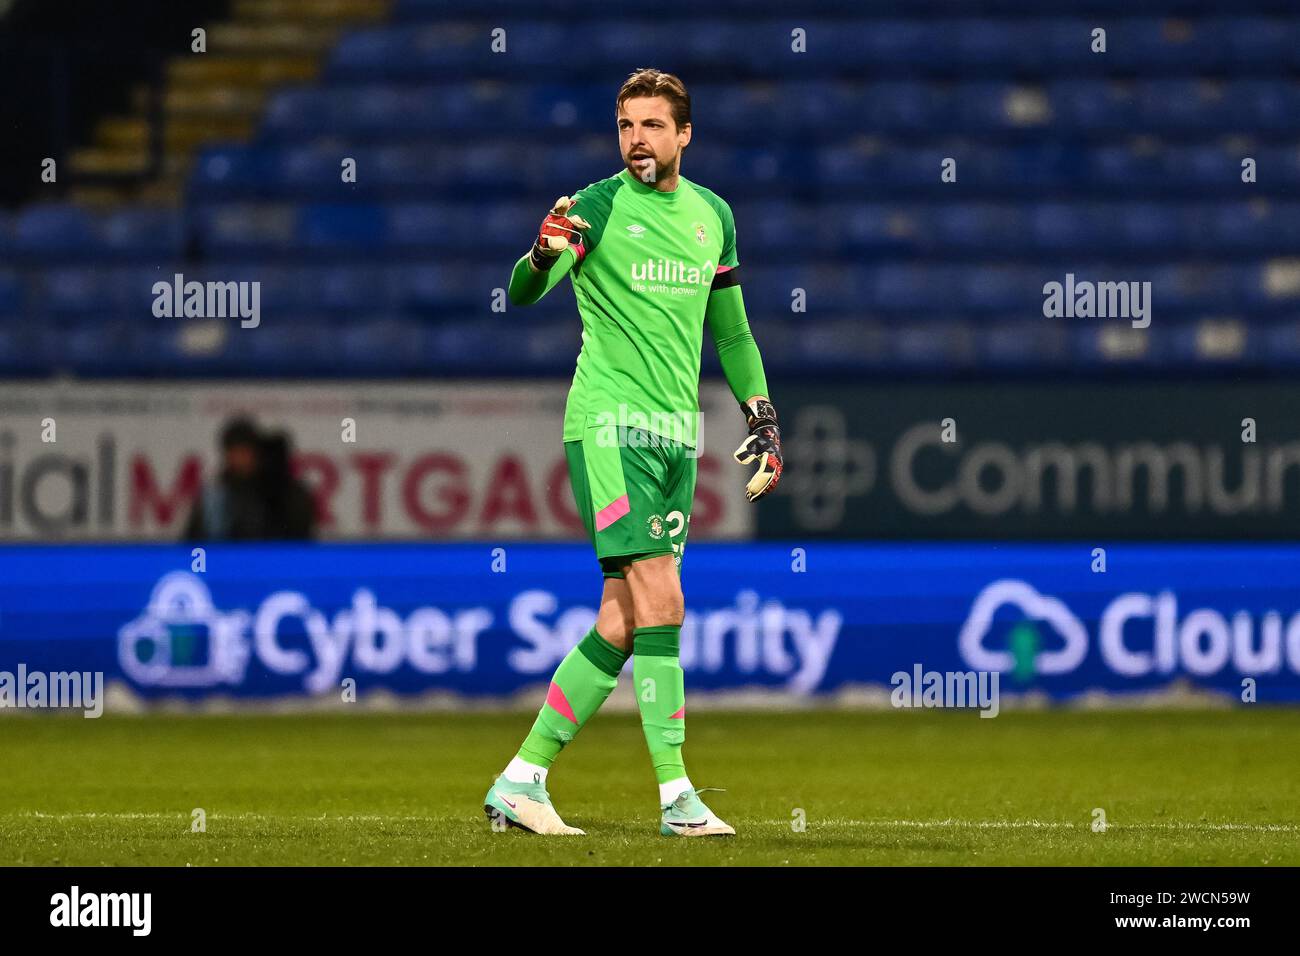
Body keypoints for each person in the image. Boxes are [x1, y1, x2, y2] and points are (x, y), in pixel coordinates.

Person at [485, 69, 784, 837]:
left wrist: (762, 414)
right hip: (610, 428)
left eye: (653, 125)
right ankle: (677, 797)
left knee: (622, 619)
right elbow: (523, 292)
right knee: (664, 601)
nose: (637, 140)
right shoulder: (594, 206)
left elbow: (734, 333)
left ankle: (522, 779)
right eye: (626, 125)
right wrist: (541, 254)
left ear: (685, 134)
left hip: (675, 438)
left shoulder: (713, 215)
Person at [183, 418, 316, 541]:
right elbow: (193, 541)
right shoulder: (215, 495)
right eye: (234, 452)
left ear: (257, 453)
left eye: (244, 452)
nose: (239, 459)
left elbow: (300, 538)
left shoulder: (285, 492)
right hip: (224, 562)